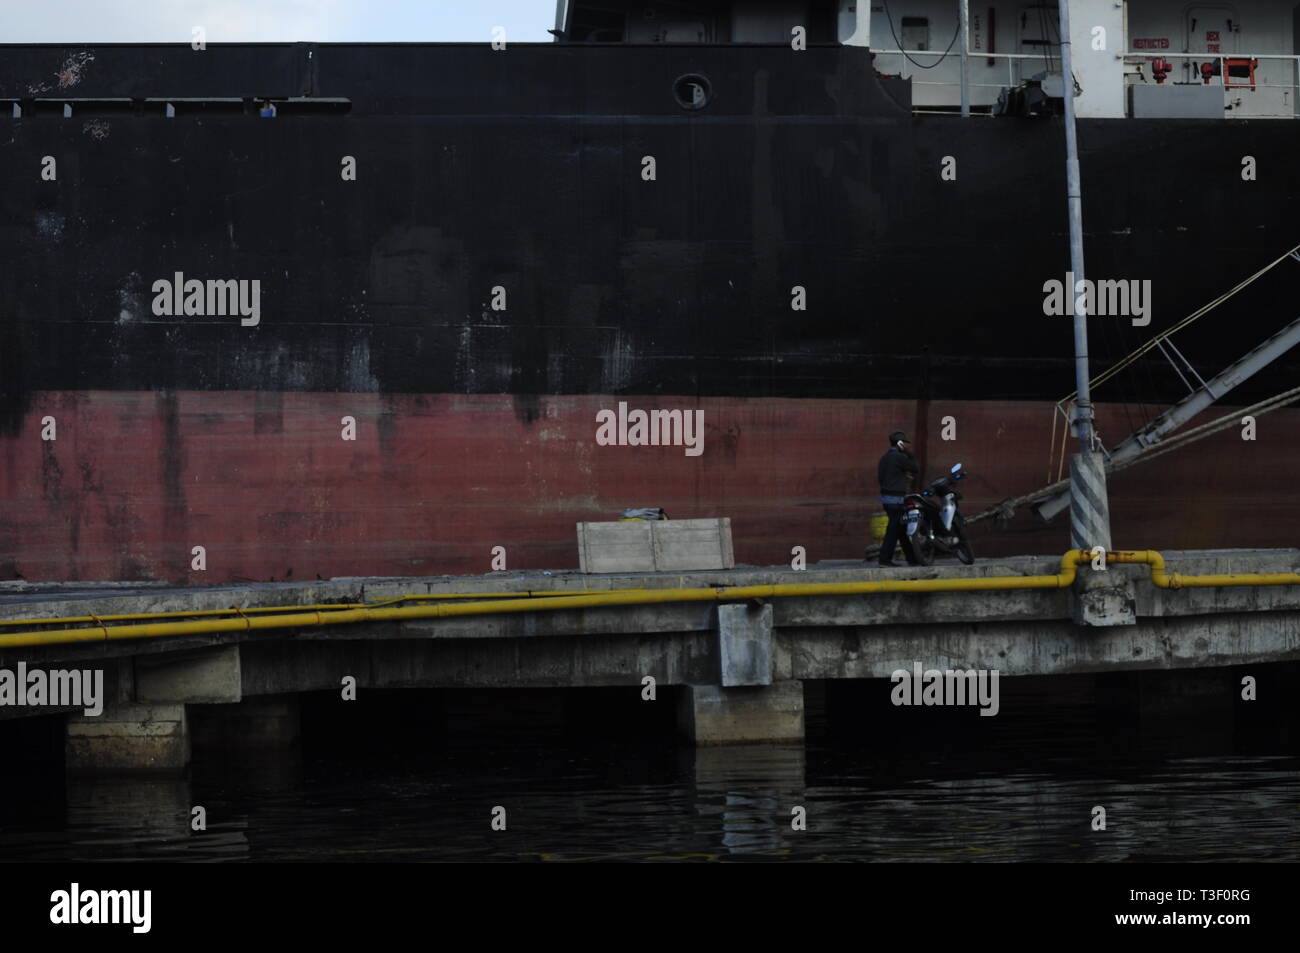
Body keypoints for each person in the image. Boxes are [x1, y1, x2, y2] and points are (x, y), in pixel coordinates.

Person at [875, 430, 920, 567]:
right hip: (896, 499)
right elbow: (915, 468)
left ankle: (912, 559)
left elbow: (882, 478)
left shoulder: (884, 458)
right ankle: (884, 560)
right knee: (894, 529)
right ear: (900, 443)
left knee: (900, 528)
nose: (906, 446)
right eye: (904, 444)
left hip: (886, 499)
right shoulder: (899, 457)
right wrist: (908, 454)